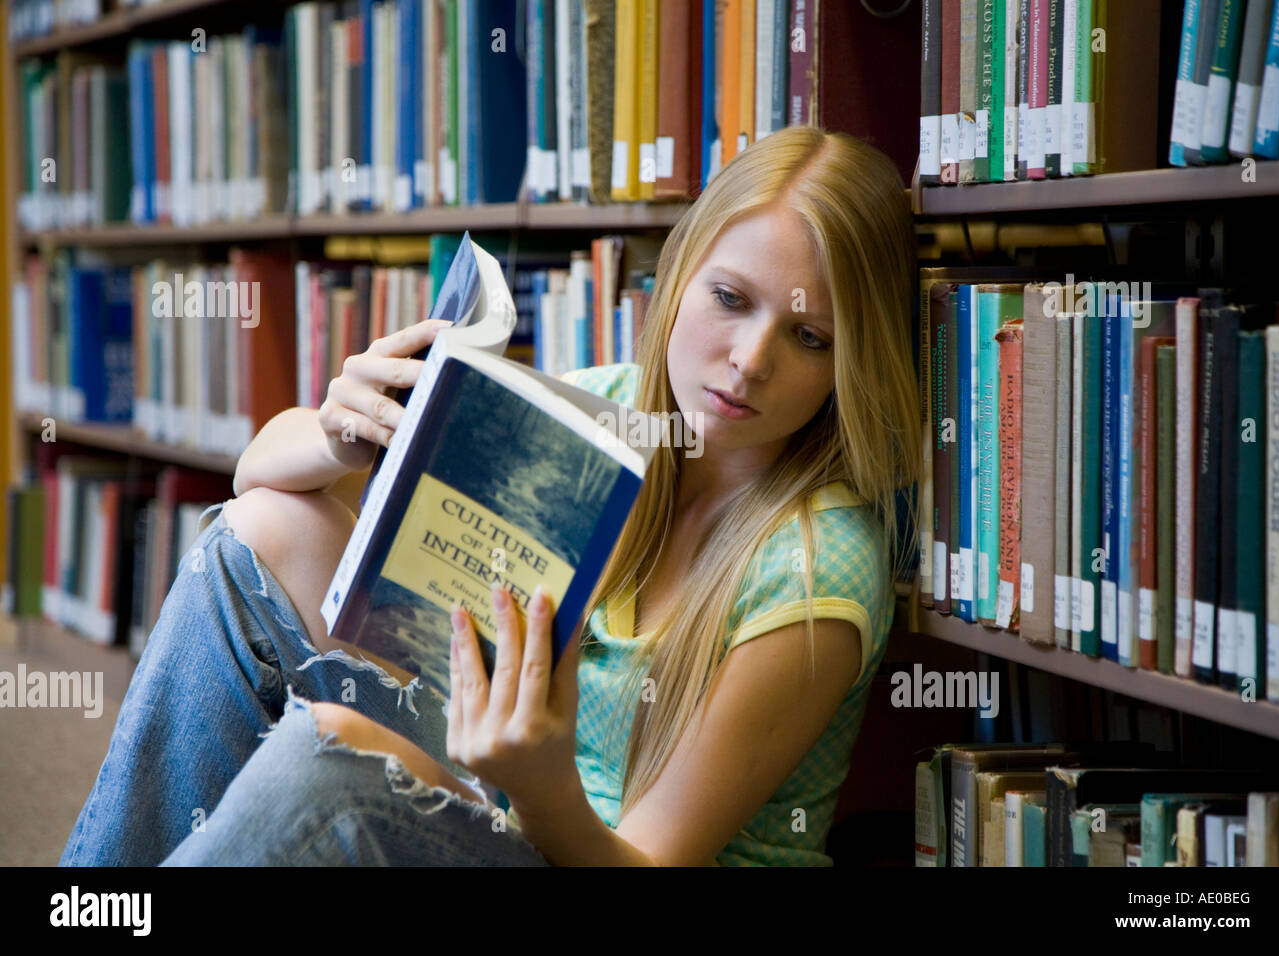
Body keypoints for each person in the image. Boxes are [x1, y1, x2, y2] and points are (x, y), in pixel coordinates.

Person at [59, 124, 921, 867]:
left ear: (853, 360)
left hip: (587, 847)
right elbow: (256, 480)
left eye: (808, 336)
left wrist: (538, 777)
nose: (750, 359)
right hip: (503, 798)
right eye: (730, 299)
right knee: (256, 532)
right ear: (680, 275)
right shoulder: (609, 412)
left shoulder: (817, 565)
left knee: (330, 757)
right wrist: (335, 431)